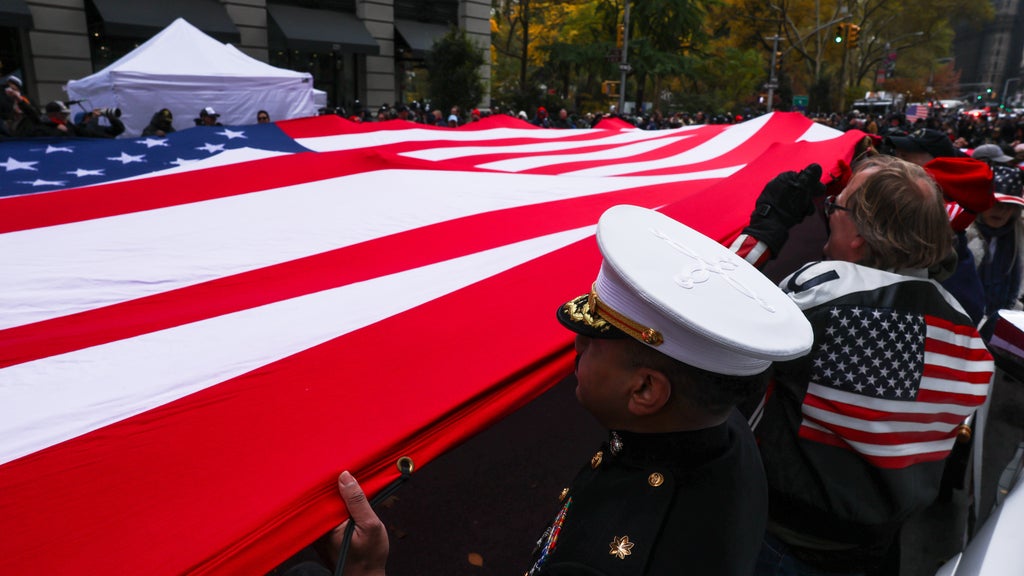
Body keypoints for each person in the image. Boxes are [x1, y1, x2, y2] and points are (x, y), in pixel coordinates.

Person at [294, 205, 817, 576]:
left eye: (591, 343)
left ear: (644, 390)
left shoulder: (599, 560)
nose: (576, 347)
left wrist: (366, 573)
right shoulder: (720, 431)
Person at [732, 156, 994, 575]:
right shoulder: (962, 327)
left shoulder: (823, 290)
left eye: (835, 207)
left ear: (857, 237)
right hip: (877, 548)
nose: (828, 215)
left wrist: (764, 231)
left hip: (779, 539)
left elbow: (711, 318)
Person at [967, 164, 1024, 340]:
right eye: (996, 203)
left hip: (1005, 320)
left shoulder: (1019, 236)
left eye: (1009, 205)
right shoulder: (963, 234)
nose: (1002, 211)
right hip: (966, 319)